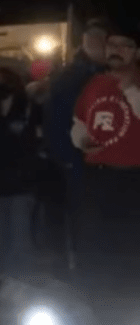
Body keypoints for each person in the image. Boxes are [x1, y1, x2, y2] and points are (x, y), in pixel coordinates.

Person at [70, 21, 140, 325]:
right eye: (111, 45)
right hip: (96, 177)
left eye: (123, 46)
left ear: (136, 52)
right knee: (94, 245)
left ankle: (129, 313)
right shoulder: (95, 84)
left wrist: (129, 88)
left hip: (131, 178)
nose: (115, 51)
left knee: (127, 248)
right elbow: (79, 125)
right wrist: (82, 140)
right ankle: (99, 314)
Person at [44, 19, 109, 268]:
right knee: (86, 223)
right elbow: (61, 120)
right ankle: (85, 272)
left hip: (100, 162)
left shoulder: (99, 73)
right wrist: (68, 158)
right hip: (82, 162)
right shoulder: (74, 77)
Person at [0, 67, 42, 282]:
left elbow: (35, 144)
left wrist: (31, 173)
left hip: (21, 185)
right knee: (0, 235)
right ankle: (6, 274)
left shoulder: (29, 109)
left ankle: (22, 277)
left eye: (3, 82)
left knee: (21, 235)